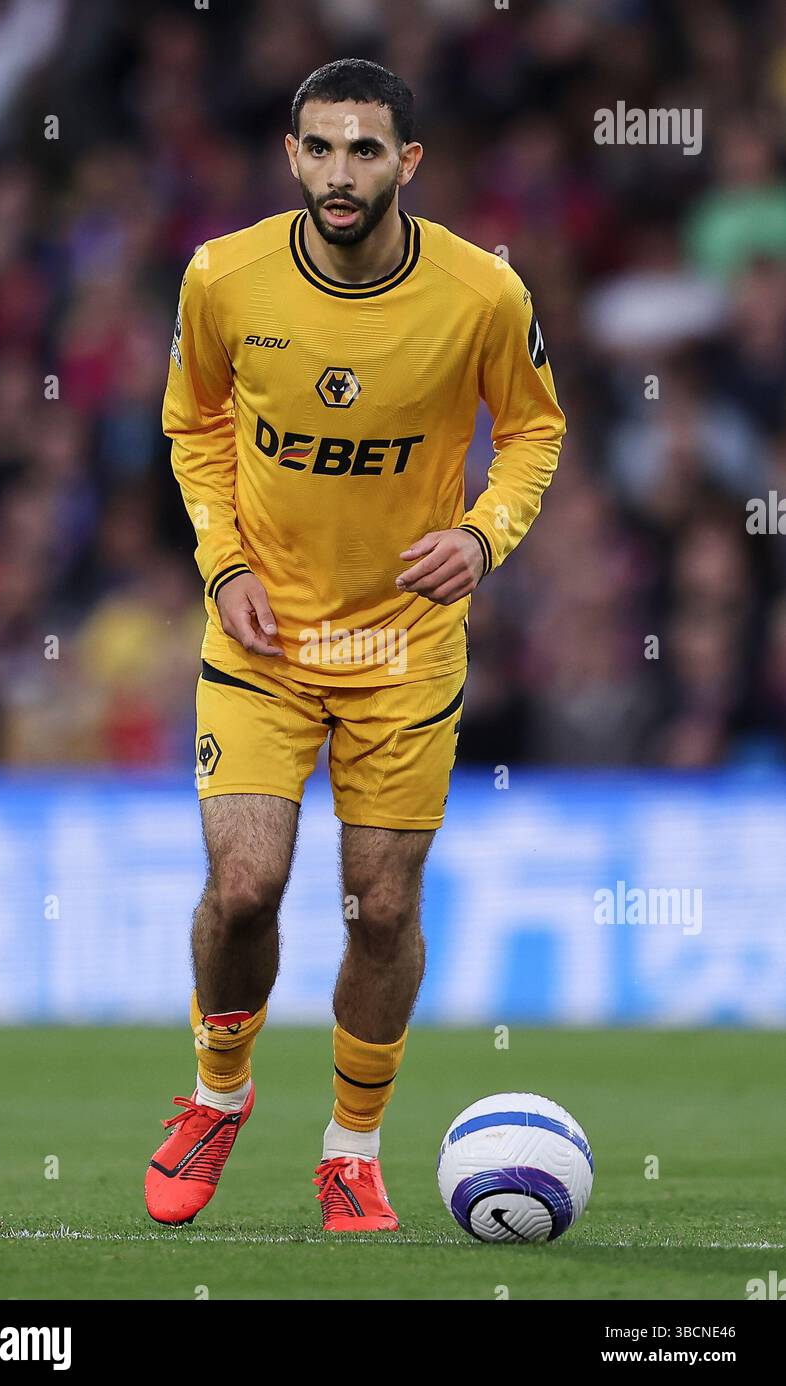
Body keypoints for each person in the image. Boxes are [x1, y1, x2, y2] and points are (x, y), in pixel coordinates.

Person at [144, 58, 565, 1231]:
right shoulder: (220, 279)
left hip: (403, 650)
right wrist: (221, 561)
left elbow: (533, 430)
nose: (340, 173)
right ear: (290, 155)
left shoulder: (481, 294)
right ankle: (216, 1096)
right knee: (244, 890)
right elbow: (192, 425)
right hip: (263, 637)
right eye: (319, 148)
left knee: (379, 911)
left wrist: (483, 537)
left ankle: (351, 1149)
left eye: (364, 150)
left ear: (407, 164)